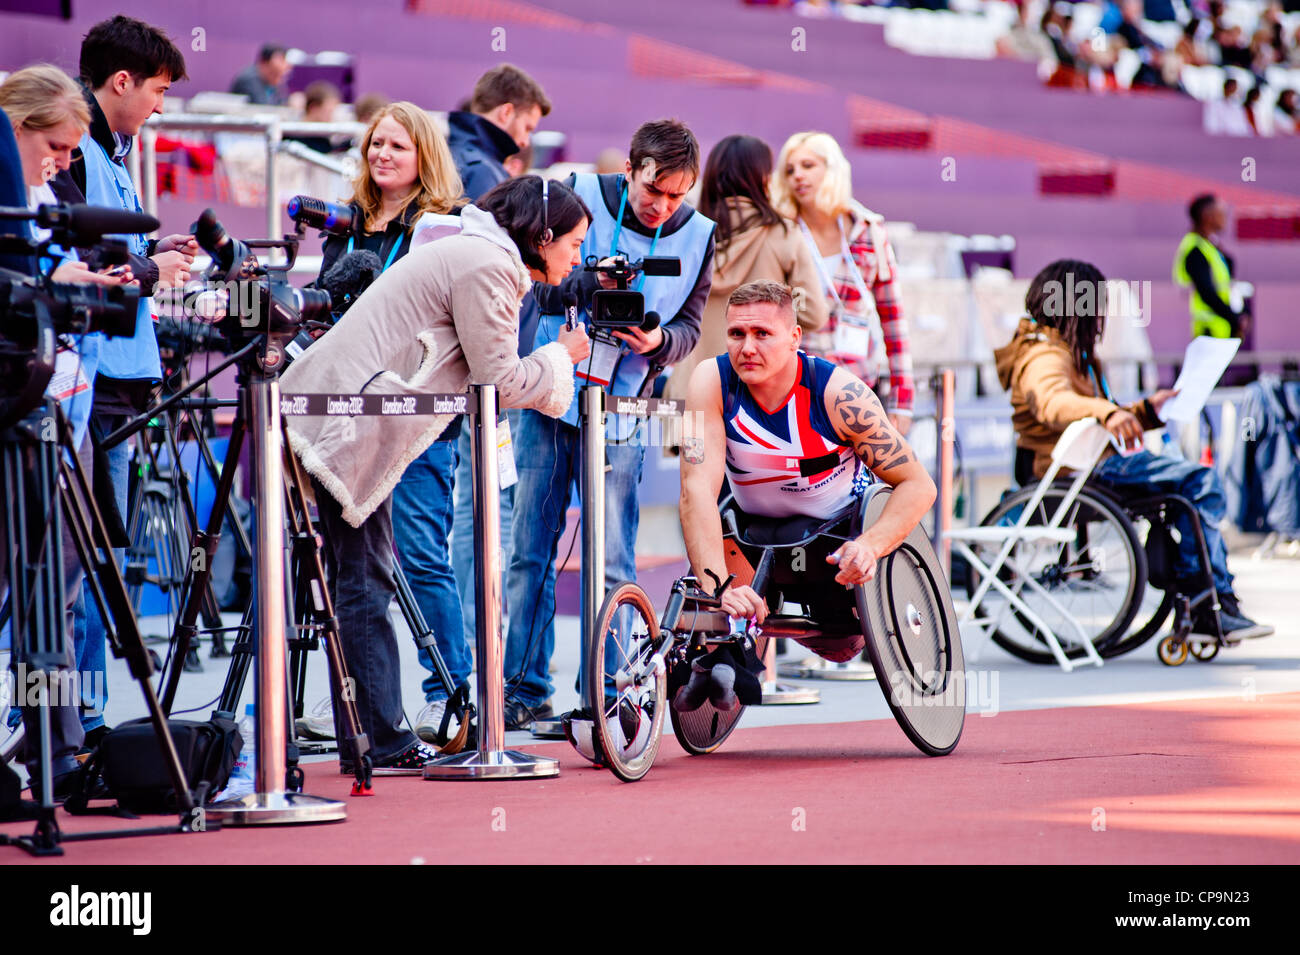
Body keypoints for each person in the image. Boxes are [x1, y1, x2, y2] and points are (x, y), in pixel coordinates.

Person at [281, 176, 593, 774]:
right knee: (363, 580)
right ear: (544, 235)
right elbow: (499, 380)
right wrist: (562, 358)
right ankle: (379, 742)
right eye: (574, 244)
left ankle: (369, 740)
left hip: (335, 413)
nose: (577, 258)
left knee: (360, 576)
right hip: (341, 423)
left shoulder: (476, 252)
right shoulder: (489, 265)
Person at [502, 118, 715, 730]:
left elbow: (690, 331)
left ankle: (607, 688)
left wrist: (655, 340)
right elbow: (529, 288)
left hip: (622, 407)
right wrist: (584, 286)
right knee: (530, 550)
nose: (663, 206)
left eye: (678, 195)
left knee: (614, 556)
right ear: (630, 170)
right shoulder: (573, 194)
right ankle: (523, 688)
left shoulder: (700, 235)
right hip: (549, 397)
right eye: (654, 190)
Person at [293, 101, 465, 745]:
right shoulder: (348, 224)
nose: (383, 155)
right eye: (375, 145)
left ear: (425, 154)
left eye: (397, 145)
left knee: (410, 561)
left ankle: (451, 700)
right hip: (345, 409)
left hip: (413, 412)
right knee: (356, 569)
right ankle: (368, 730)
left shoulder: (442, 227)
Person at [46, 15, 192, 749]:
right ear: (122, 82)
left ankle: (80, 723)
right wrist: (147, 272)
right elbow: (80, 276)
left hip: (123, 384)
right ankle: (67, 728)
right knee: (77, 573)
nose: (162, 107)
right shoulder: (71, 154)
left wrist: (149, 253)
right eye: (159, 90)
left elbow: (106, 258)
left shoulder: (111, 150)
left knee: (97, 573)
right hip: (89, 389)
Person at [994, 259, 1272, 641]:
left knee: (1186, 484)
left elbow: (1089, 413)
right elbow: (1054, 404)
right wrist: (1107, 412)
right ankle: (1209, 602)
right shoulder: (1045, 357)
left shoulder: (1070, 355)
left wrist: (1145, 410)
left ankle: (1207, 598)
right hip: (1078, 473)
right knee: (1199, 480)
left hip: (1092, 465)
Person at [0, 64, 134, 796]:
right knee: (24, 588)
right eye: (53, 145)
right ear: (13, 125)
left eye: (72, 151)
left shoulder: (46, 188)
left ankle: (54, 745)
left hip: (64, 407)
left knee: (55, 592)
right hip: (17, 412)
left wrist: (82, 285)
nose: (61, 162)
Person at [678, 281, 935, 631]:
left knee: (841, 643)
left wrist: (870, 547)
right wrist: (717, 588)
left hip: (833, 543)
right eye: (737, 334)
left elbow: (918, 485)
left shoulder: (841, 395)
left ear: (794, 337)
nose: (747, 347)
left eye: (762, 334)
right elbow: (695, 489)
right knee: (711, 654)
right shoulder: (708, 380)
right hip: (752, 537)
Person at [443, 66, 552, 738]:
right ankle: (483, 674)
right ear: (508, 112)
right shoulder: (482, 172)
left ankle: (474, 673)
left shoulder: (450, 151)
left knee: (469, 511)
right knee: (486, 514)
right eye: (530, 126)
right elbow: (507, 281)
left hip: (462, 366)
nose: (528, 140)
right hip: (485, 371)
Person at [664, 134, 827, 404]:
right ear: (761, 177)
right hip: (758, 392)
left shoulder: (686, 233)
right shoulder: (782, 234)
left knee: (695, 446)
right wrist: (780, 301)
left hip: (692, 389)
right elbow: (816, 315)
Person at [772, 130, 915, 437]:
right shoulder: (781, 232)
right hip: (797, 389)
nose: (798, 176)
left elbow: (893, 319)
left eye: (808, 166)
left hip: (860, 387)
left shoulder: (869, 229)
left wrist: (902, 401)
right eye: (790, 170)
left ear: (832, 168)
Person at [447, 64, 550, 200]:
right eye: (527, 128)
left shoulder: (444, 155)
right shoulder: (483, 172)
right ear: (506, 112)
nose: (525, 142)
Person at [1173, 193, 1246, 340]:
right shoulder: (1195, 249)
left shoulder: (1210, 246)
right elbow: (1206, 292)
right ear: (1207, 216)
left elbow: (1227, 286)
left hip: (1220, 329)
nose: (1226, 216)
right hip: (1208, 332)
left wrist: (1243, 312)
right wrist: (1235, 318)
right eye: (1222, 212)